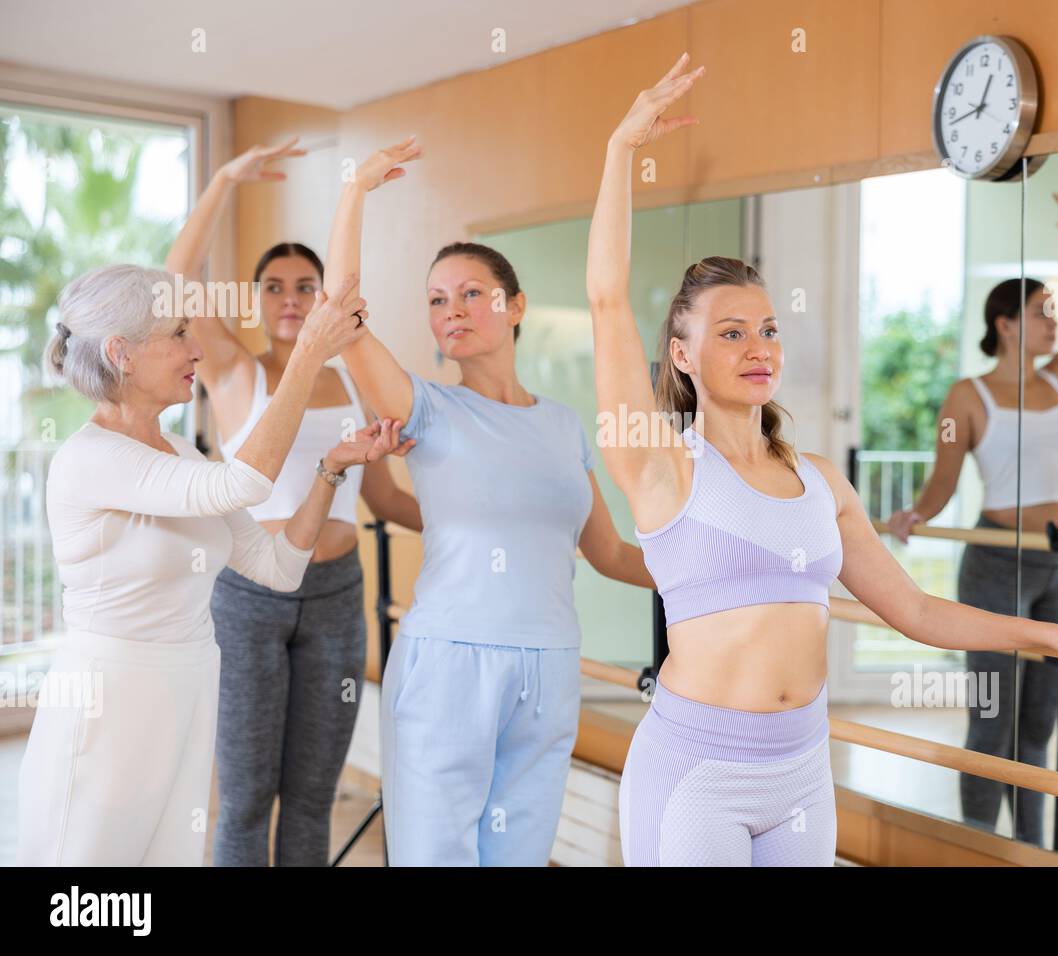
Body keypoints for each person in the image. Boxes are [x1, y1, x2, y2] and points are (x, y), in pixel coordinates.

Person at [591, 54, 1058, 867]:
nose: (757, 346)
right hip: (696, 771)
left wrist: (1051, 637)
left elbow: (915, 612)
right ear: (683, 354)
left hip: (802, 774)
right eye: (730, 332)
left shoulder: (820, 481)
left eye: (768, 328)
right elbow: (606, 296)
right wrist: (622, 150)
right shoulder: (661, 463)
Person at [323, 137, 656, 866]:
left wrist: (719, 573)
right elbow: (339, 313)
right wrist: (355, 191)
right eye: (437, 300)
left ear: (516, 307)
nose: (453, 311)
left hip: (550, 665)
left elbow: (608, 553)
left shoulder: (562, 423)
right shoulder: (426, 410)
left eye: (472, 292)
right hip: (450, 665)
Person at [18, 263, 406, 865]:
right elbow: (241, 483)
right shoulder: (89, 459)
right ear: (121, 352)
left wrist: (331, 468)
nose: (195, 347)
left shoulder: (177, 452)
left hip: (187, 695)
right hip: (109, 707)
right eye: (177, 334)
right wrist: (309, 352)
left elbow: (277, 566)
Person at [163, 140, 423, 865]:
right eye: (274, 287)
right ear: (255, 301)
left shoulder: (358, 385)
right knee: (246, 800)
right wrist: (222, 181)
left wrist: (480, 522)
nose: (290, 299)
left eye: (306, 286)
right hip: (248, 599)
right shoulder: (235, 373)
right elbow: (174, 282)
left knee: (312, 796)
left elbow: (384, 498)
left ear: (326, 297)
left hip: (336, 599)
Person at [884, 194, 1058, 845]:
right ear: (1008, 323)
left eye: (1053, 313)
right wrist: (915, 515)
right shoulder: (966, 395)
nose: (1054, 323)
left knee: (1039, 724)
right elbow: (942, 484)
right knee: (992, 720)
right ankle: (976, 844)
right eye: (1042, 313)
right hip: (995, 561)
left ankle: (1028, 850)